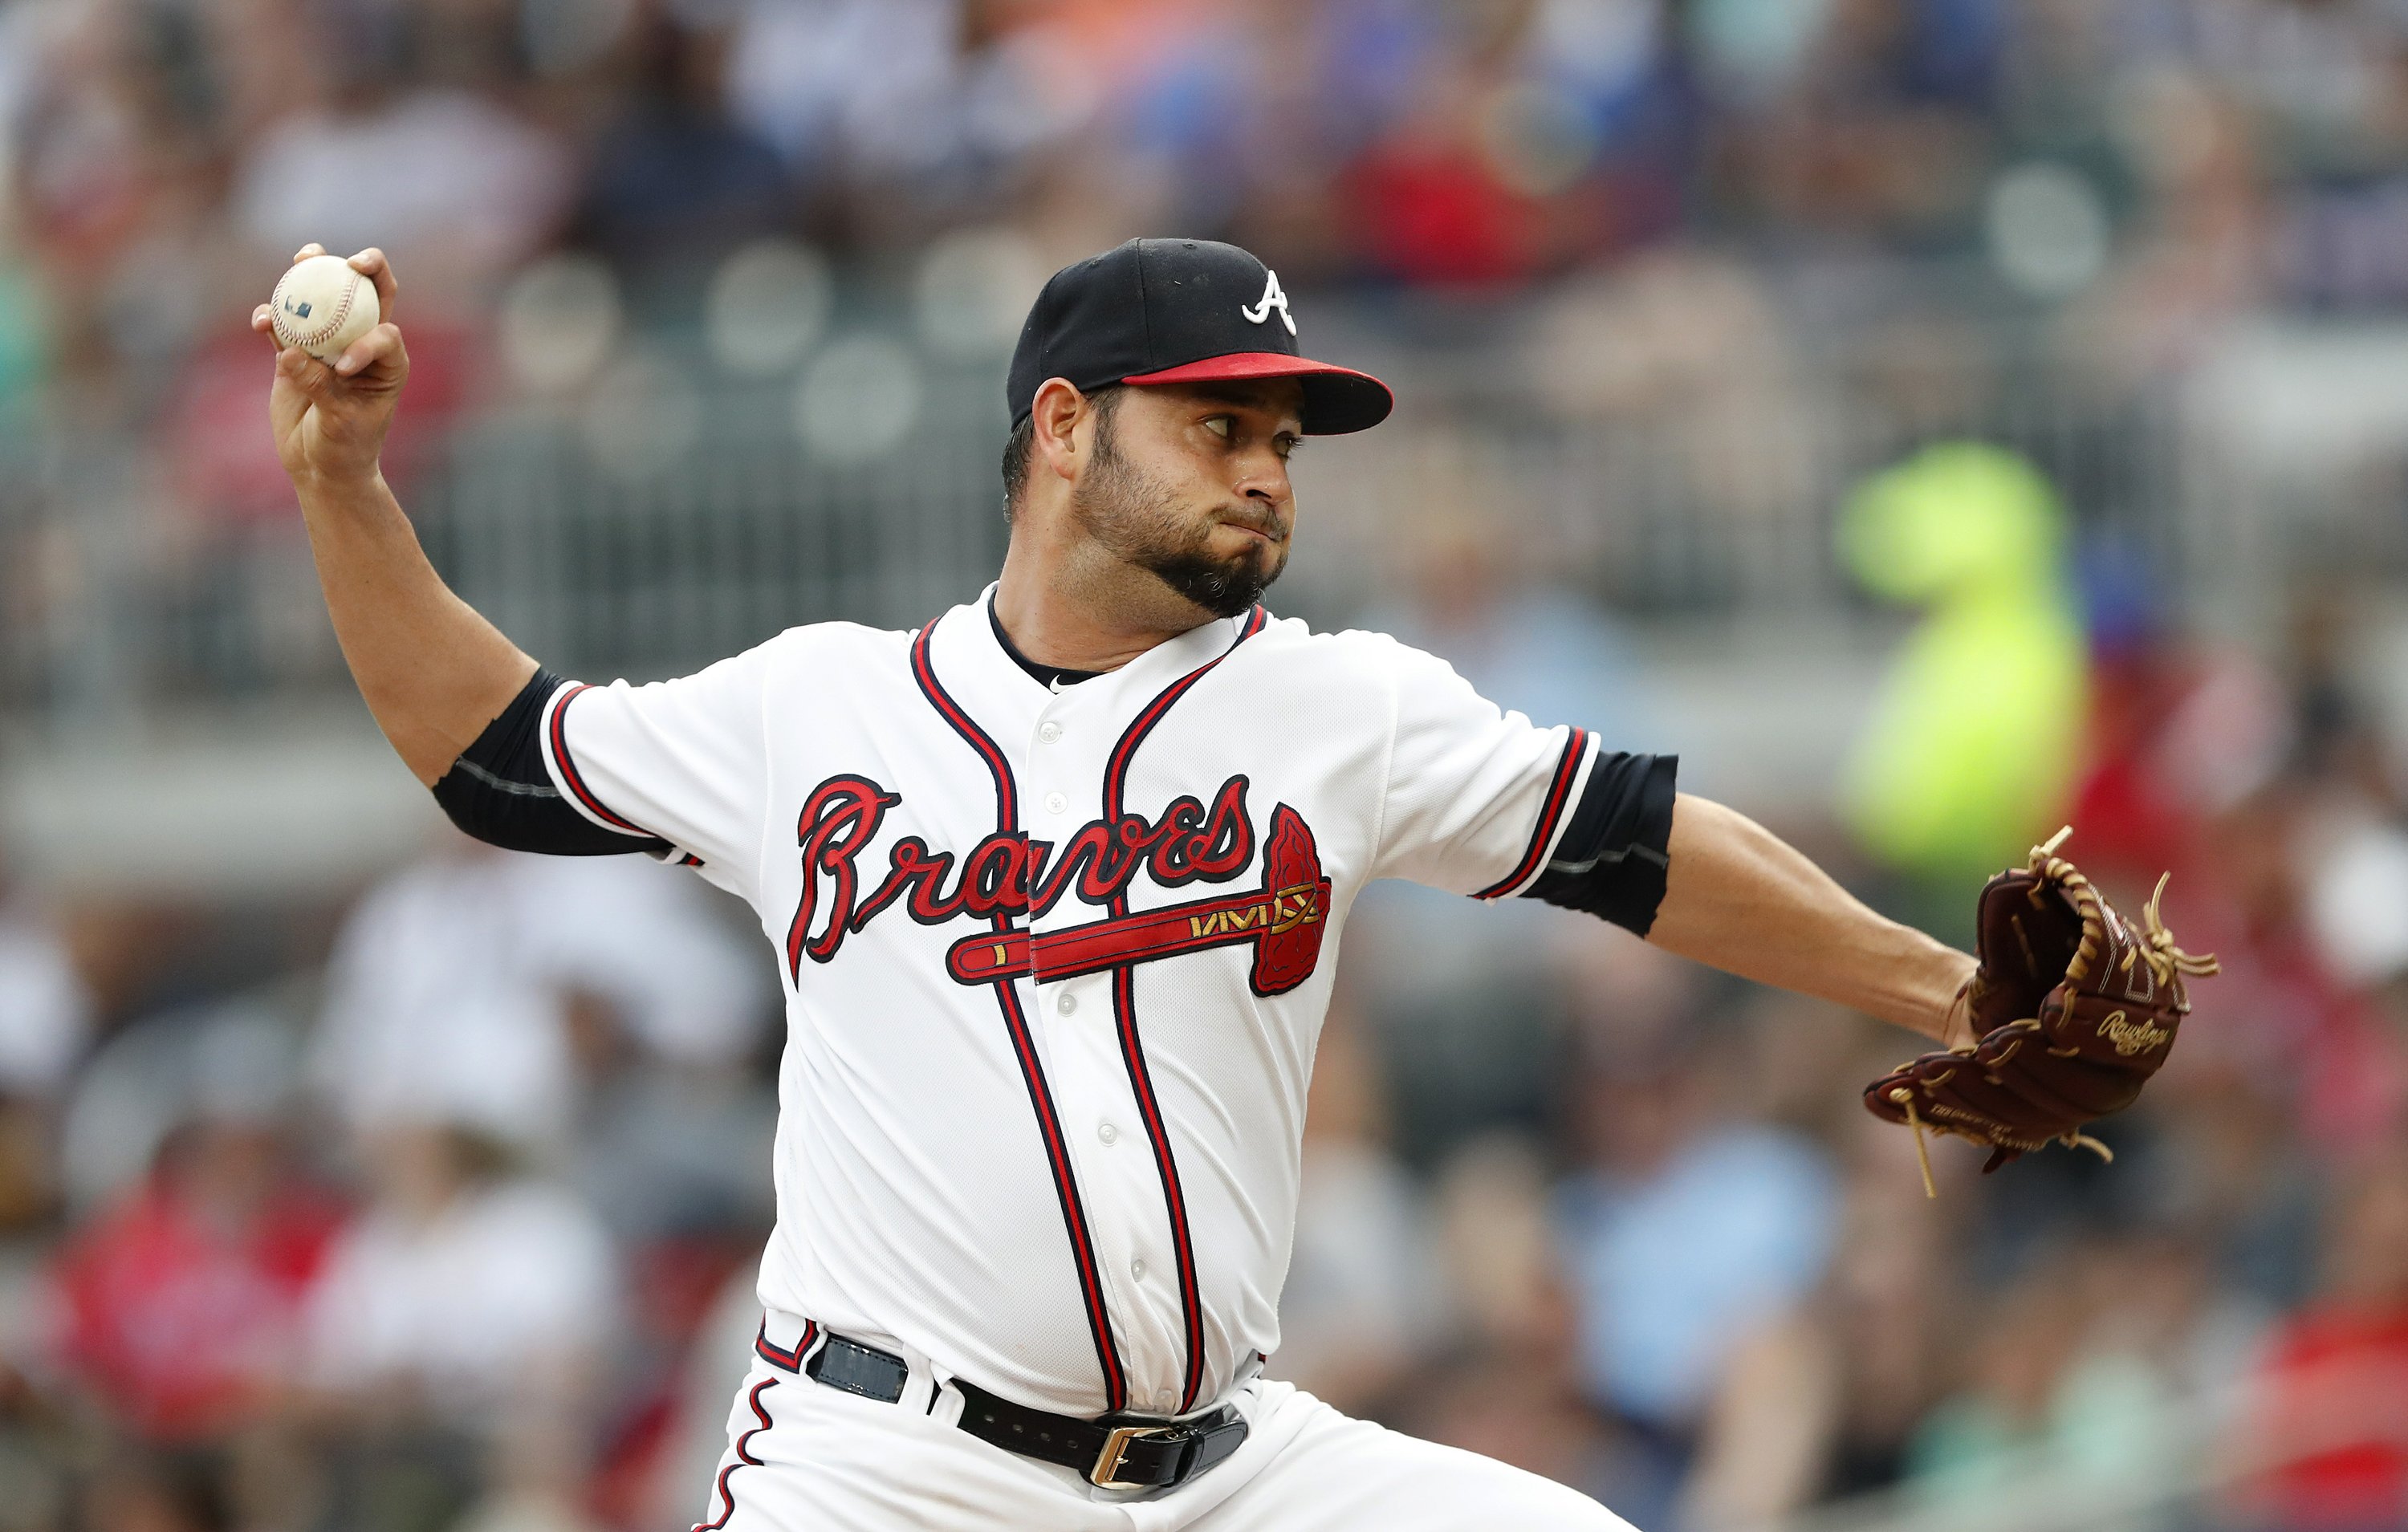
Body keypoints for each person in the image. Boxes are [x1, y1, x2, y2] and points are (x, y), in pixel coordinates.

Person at [254, 236, 1978, 1530]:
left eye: (1287, 441)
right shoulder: (819, 706)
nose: (1265, 469)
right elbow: (496, 755)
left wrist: (1955, 997)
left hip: (1236, 1469)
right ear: (1065, 429)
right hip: (889, 1467)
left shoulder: (1334, 704)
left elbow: (1642, 843)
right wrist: (343, 486)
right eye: (1220, 422)